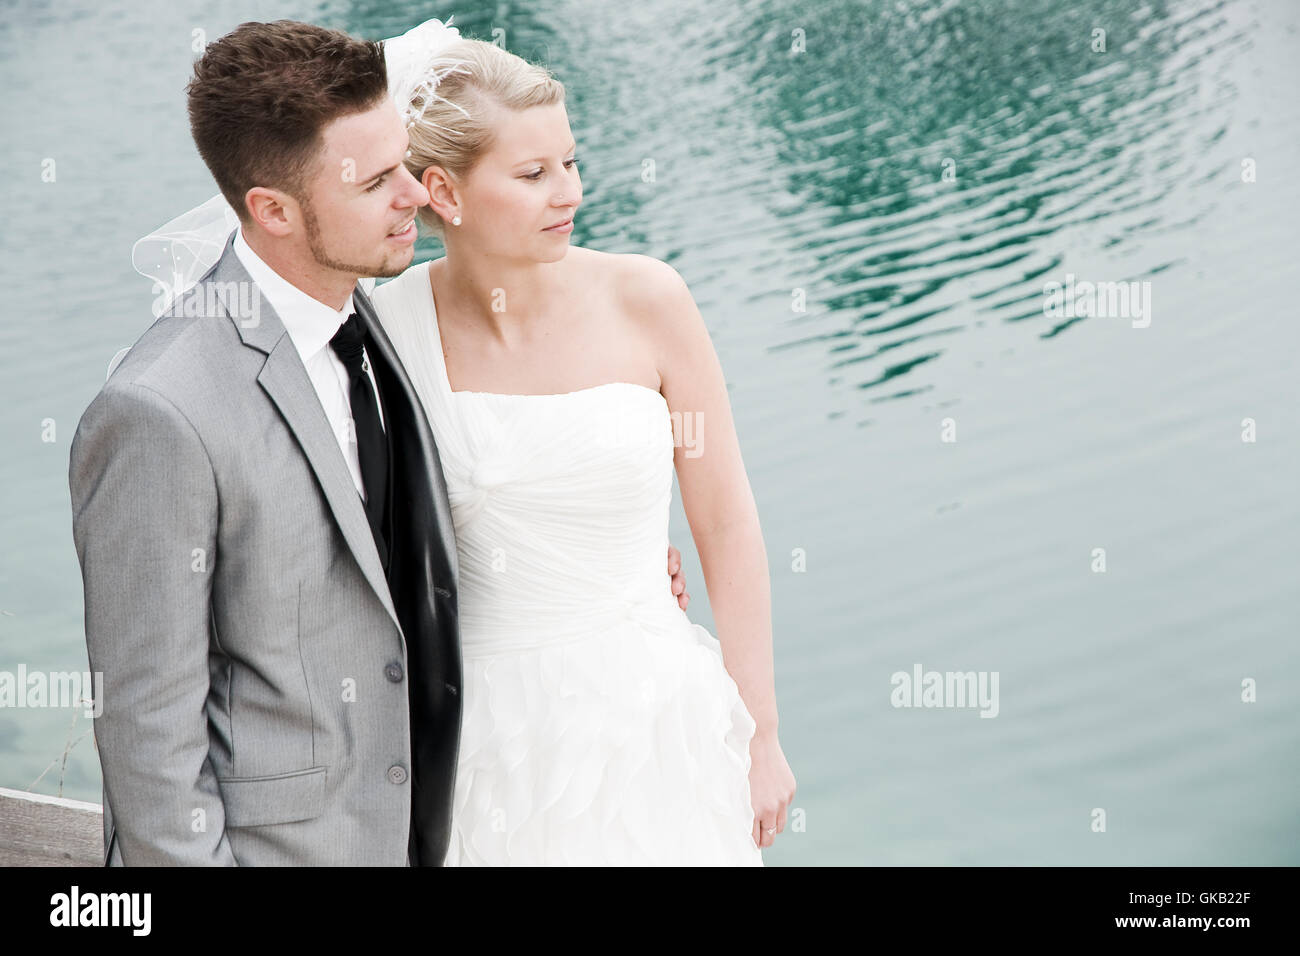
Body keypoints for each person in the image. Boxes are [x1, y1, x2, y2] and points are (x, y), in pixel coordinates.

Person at [68, 17, 690, 866]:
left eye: (406, 162)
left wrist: (597, 551)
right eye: (376, 183)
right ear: (273, 210)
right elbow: (148, 737)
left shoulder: (374, 323)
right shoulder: (157, 413)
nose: (416, 195)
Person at [367, 34, 796, 864]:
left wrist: (761, 733)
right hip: (481, 742)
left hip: (654, 719)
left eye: (570, 161)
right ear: (444, 191)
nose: (569, 193)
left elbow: (727, 523)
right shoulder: (389, 334)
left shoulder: (649, 299)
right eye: (532, 175)